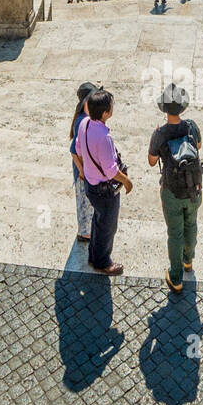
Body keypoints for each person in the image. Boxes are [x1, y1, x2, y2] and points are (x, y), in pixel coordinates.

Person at [148, 84, 203, 294]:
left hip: (171, 191)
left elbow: (152, 162)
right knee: (191, 223)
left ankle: (176, 276)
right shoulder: (191, 126)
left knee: (175, 233)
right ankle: (188, 261)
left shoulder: (160, 134)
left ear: (164, 109)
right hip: (193, 187)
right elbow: (198, 147)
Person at [73, 89, 131, 276]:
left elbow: (79, 150)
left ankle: (94, 256)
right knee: (107, 227)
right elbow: (111, 171)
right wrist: (127, 182)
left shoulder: (83, 124)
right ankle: (103, 263)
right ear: (105, 113)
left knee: (98, 222)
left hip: (90, 185)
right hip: (103, 190)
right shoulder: (104, 137)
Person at [69, 82, 96, 244]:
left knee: (87, 201)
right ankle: (85, 233)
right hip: (82, 169)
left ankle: (87, 229)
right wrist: (81, 170)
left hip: (87, 168)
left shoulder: (86, 117)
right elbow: (73, 150)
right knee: (83, 200)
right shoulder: (82, 121)